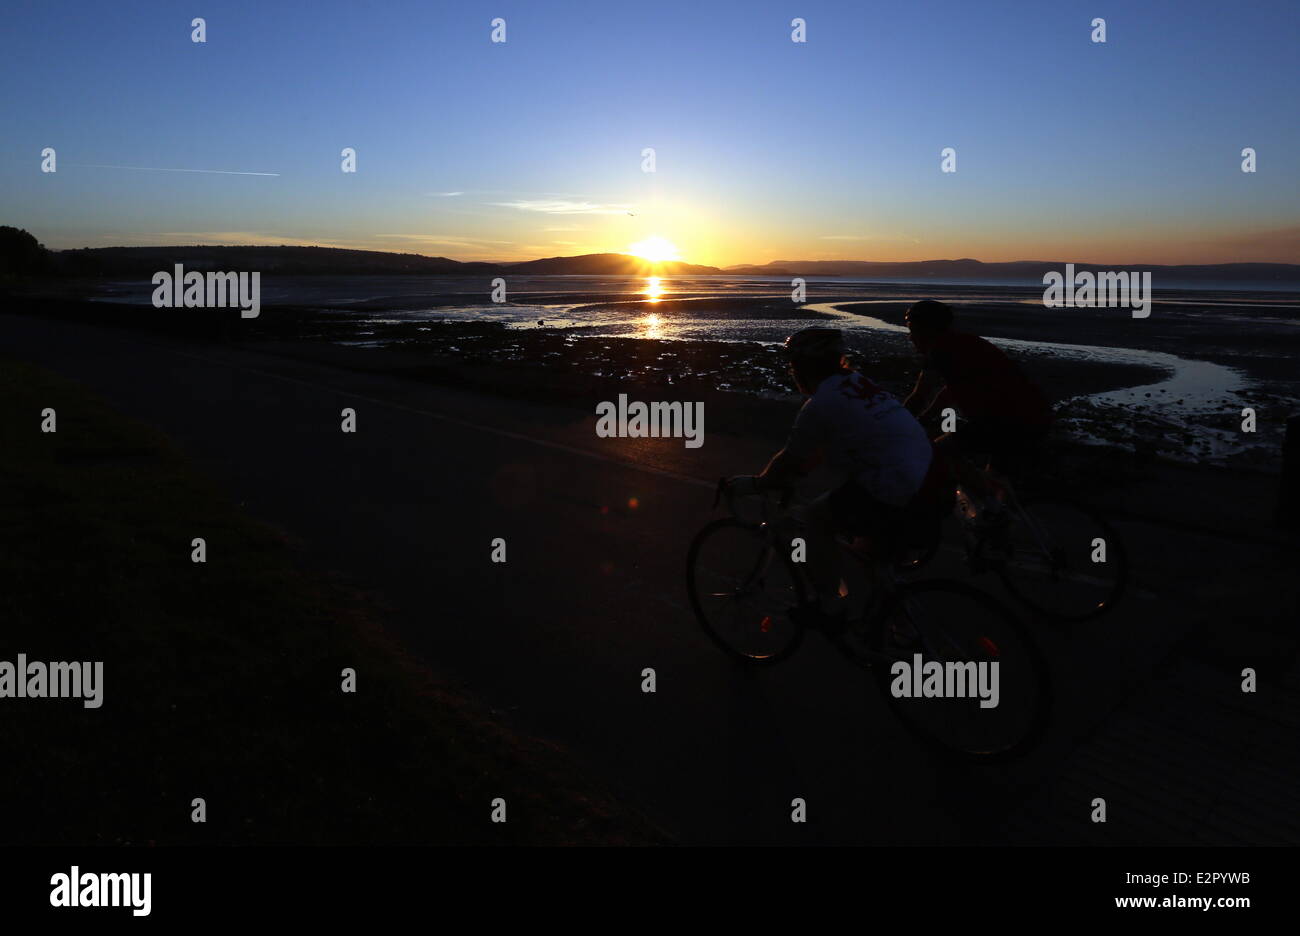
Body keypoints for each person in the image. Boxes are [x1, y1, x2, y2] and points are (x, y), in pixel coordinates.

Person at [727, 327, 938, 628]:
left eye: (792, 366)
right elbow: (821, 449)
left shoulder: (821, 404)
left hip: (894, 480)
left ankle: (829, 605)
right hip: (925, 469)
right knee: (872, 556)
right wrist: (796, 474)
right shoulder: (859, 383)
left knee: (817, 518)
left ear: (801, 368)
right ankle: (891, 626)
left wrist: (753, 484)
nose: (791, 372)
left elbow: (789, 460)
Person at [902, 299, 1052, 517]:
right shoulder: (963, 343)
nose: (910, 337)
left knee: (942, 452)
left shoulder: (941, 350)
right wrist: (924, 418)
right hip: (1029, 415)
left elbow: (919, 395)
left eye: (912, 330)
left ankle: (993, 514)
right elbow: (950, 391)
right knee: (994, 478)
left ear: (927, 330)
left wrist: (898, 423)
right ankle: (996, 526)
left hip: (1007, 421)